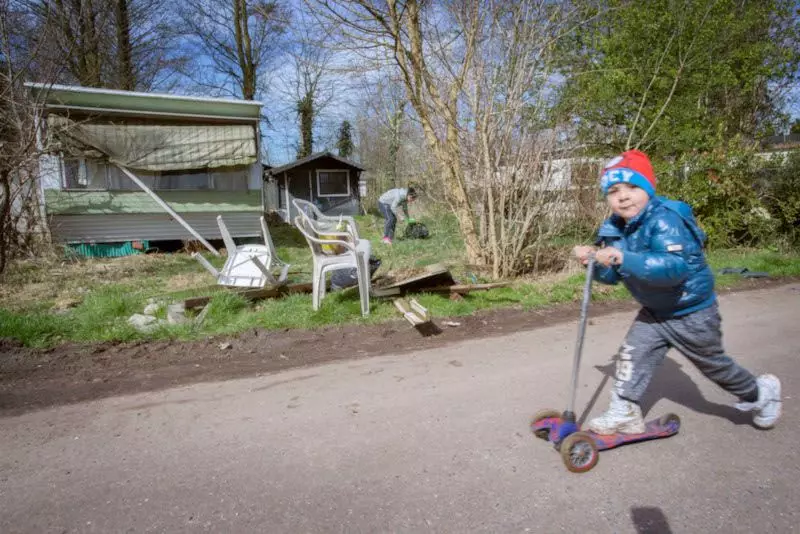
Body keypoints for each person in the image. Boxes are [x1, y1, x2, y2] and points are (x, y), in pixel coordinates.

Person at [572, 149, 781, 435]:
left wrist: (624, 258)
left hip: (690, 311)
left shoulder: (664, 220)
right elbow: (611, 277)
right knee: (632, 356)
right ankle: (624, 413)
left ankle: (762, 393)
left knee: (715, 367)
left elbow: (674, 269)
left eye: (632, 187)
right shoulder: (614, 229)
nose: (622, 196)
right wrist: (593, 262)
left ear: (648, 187)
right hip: (655, 312)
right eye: (613, 190)